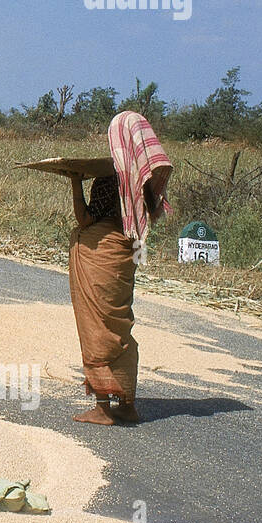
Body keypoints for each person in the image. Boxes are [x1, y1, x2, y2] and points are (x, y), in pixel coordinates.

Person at [66, 110, 171, 425]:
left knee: (97, 328)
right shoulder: (142, 181)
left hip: (100, 255)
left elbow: (85, 219)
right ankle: (127, 403)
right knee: (119, 326)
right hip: (125, 255)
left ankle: (102, 408)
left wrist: (75, 183)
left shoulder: (109, 180)